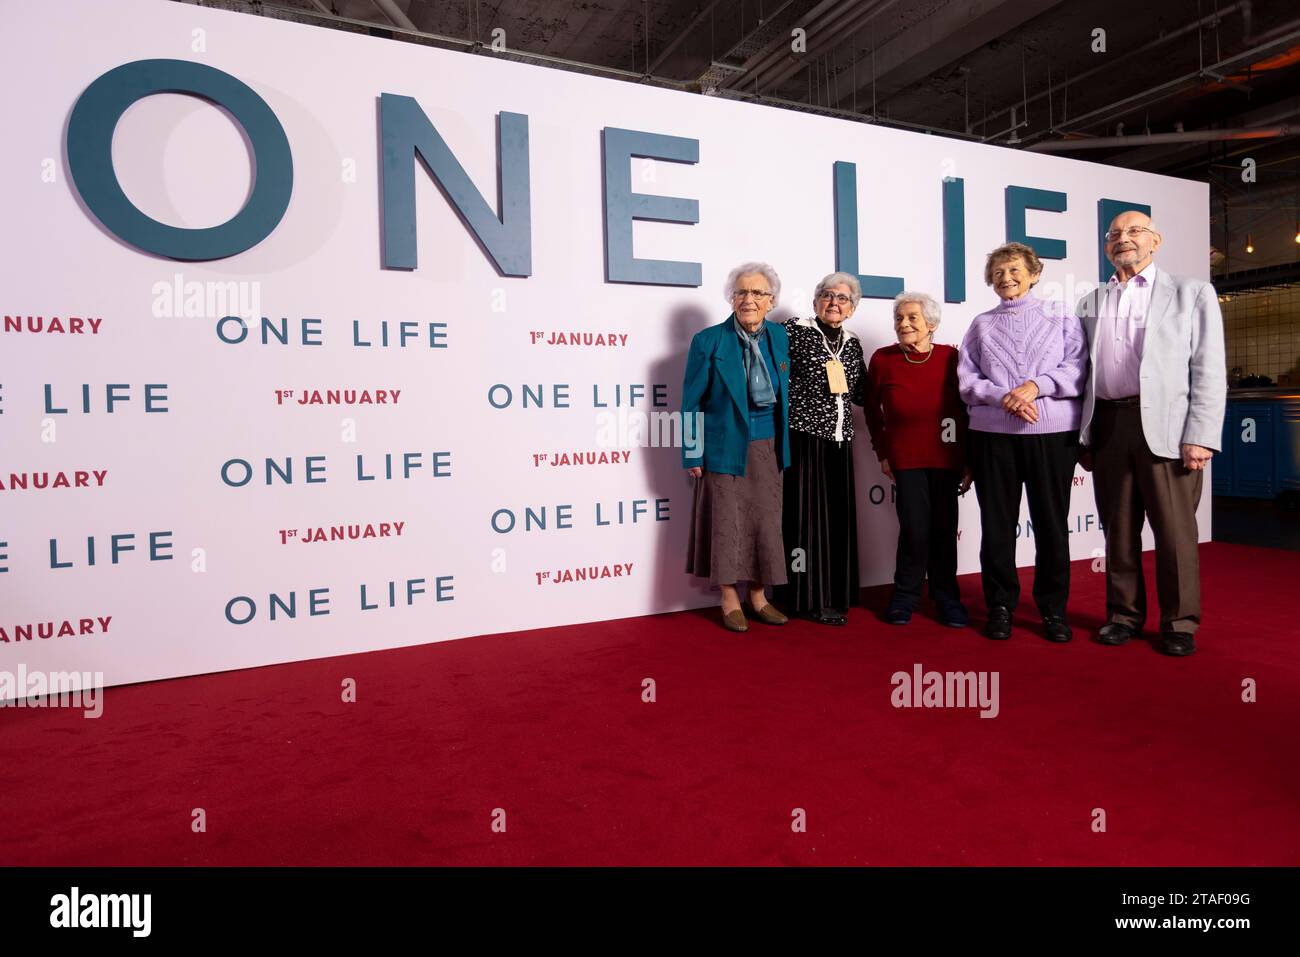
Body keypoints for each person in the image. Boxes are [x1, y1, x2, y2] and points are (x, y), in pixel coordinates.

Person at [1077, 210, 1227, 656]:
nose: (1124, 239)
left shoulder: (1191, 292)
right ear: (1107, 247)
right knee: (1118, 532)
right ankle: (1123, 616)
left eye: (1135, 231)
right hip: (1108, 424)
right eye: (1115, 234)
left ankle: (1179, 623)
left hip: (1169, 428)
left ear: (1155, 241)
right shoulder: (1091, 301)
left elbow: (1209, 369)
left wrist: (1200, 434)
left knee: (1175, 534)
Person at [957, 242, 1088, 641]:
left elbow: (1077, 368)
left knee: (1051, 526)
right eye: (997, 273)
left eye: (1014, 270)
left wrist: (1034, 386)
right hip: (993, 437)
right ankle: (999, 605)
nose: (1006, 278)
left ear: (1034, 274)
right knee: (997, 525)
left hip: (1052, 436)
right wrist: (1004, 397)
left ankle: (1053, 611)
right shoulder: (980, 324)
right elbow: (967, 382)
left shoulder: (1060, 314)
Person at [683, 262, 792, 633]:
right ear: (732, 297)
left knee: (765, 523)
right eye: (742, 292)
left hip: (769, 444)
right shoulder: (708, 340)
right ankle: (729, 598)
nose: (749, 299)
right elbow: (690, 403)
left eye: (758, 293)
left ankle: (759, 597)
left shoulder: (780, 336)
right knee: (727, 525)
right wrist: (692, 452)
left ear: (771, 300)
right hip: (723, 445)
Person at [864, 291, 971, 627]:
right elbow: (871, 411)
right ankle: (905, 596)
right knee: (914, 529)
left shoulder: (951, 358)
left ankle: (947, 598)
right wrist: (882, 452)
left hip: (946, 457)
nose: (904, 323)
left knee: (943, 529)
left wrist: (968, 460)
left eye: (912, 317)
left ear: (931, 324)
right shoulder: (883, 359)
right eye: (899, 318)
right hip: (905, 459)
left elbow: (966, 411)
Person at [775, 272, 867, 625]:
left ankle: (834, 592)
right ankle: (804, 597)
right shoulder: (794, 330)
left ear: (852, 308)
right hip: (804, 438)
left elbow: (860, 393)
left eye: (843, 298)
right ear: (815, 302)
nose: (834, 302)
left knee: (835, 522)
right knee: (805, 521)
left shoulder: (853, 343)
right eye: (827, 295)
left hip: (840, 441)